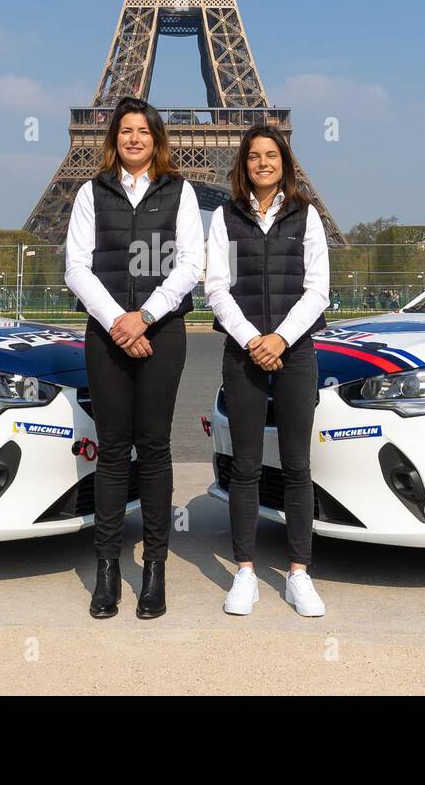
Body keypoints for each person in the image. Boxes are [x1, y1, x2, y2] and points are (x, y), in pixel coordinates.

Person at [64, 96, 204, 619]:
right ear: (113, 138)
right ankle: (106, 569)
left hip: (161, 331)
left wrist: (143, 317)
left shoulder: (181, 191)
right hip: (107, 332)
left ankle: (154, 568)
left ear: (157, 138)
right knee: (114, 449)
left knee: (156, 447)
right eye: (125, 130)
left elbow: (191, 263)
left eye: (144, 130)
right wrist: (117, 321)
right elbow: (77, 267)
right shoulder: (88, 192)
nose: (134, 138)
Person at [205, 123, 330, 617]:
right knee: (246, 466)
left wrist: (279, 338)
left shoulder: (307, 216)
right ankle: (246, 571)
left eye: (271, 155)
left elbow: (317, 288)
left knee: (297, 464)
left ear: (284, 162)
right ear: (243, 163)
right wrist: (254, 340)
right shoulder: (224, 217)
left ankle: (299, 572)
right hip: (243, 350)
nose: (262, 162)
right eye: (254, 155)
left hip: (295, 350)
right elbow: (216, 287)